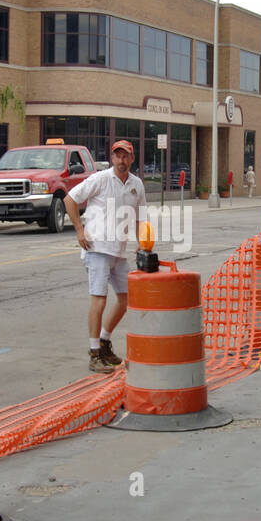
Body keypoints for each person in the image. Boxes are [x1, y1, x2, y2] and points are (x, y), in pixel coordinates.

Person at [63, 139, 148, 373]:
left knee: (126, 298)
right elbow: (69, 199)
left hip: (119, 252)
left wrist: (143, 244)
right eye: (117, 156)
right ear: (112, 158)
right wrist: (80, 230)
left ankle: (104, 341)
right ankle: (94, 354)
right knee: (99, 300)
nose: (122, 160)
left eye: (126, 156)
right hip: (97, 249)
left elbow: (141, 217)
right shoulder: (100, 179)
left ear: (132, 158)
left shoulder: (136, 184)